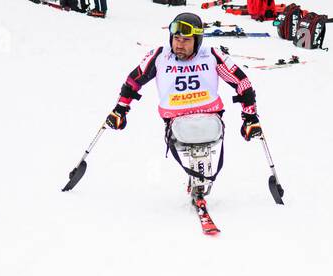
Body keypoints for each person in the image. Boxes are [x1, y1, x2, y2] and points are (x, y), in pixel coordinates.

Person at [104, 13, 261, 211]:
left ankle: (199, 181)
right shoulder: (160, 56)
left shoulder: (212, 55)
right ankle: (197, 180)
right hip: (175, 121)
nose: (179, 45)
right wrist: (120, 109)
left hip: (210, 118)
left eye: (186, 40)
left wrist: (250, 117)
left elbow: (242, 82)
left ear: (197, 40)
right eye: (176, 39)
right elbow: (133, 81)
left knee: (207, 136)